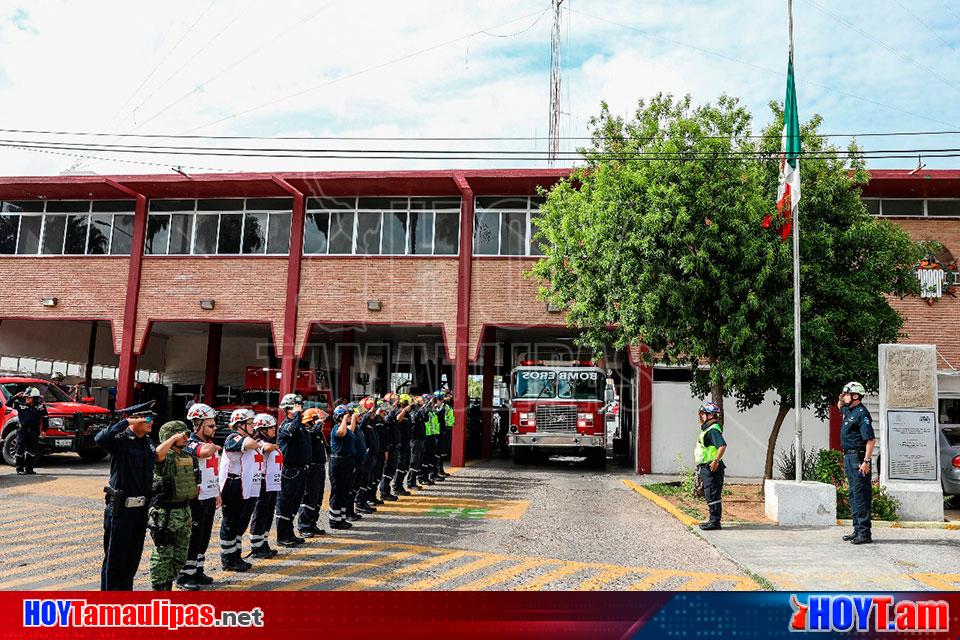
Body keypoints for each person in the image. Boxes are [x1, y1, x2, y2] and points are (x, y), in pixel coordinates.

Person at [95, 400, 167, 590]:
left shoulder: (148, 444)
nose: (151, 422)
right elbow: (100, 439)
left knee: (132, 559)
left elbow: (157, 461)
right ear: (134, 420)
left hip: (140, 511)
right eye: (147, 418)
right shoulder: (121, 440)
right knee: (115, 561)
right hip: (121, 511)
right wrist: (126, 422)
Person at [148, 420, 207, 591]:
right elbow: (157, 455)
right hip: (166, 512)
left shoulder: (187, 457)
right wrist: (173, 437)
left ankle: (169, 581)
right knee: (163, 552)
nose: (187, 438)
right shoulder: (165, 457)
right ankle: (160, 588)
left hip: (184, 510)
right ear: (170, 436)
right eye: (183, 435)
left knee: (180, 554)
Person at [175, 403, 222, 590]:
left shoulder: (209, 443)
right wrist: (215, 446)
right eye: (210, 425)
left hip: (209, 496)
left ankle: (198, 570)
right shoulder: (190, 441)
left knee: (204, 536)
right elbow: (204, 452)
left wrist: (217, 492)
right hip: (195, 499)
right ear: (198, 425)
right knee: (192, 537)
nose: (214, 428)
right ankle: (184, 575)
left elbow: (214, 470)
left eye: (214, 425)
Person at [218, 408, 263, 571]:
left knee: (240, 522)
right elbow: (250, 444)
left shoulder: (246, 437)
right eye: (250, 424)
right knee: (230, 523)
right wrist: (256, 441)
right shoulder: (233, 437)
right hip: (233, 485)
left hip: (245, 486)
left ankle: (236, 555)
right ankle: (228, 559)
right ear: (240, 424)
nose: (253, 427)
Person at [838, 381, 876, 545]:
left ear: (855, 396)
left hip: (859, 459)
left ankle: (864, 533)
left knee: (861, 494)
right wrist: (841, 398)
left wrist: (866, 461)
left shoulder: (862, 414)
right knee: (853, 494)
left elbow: (870, 440)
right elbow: (840, 406)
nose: (844, 396)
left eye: (847, 394)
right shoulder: (850, 410)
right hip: (849, 457)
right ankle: (857, 530)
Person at [275, 393, 311, 546]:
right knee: (285, 503)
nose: (301, 409)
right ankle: (282, 536)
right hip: (289, 471)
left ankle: (289, 533)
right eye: (298, 406)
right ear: (289, 409)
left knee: (294, 503)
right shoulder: (286, 425)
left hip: (300, 470)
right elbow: (292, 430)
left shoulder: (299, 425)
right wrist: (296, 416)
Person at [249, 413, 282, 558]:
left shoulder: (267, 440)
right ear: (262, 429)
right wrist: (275, 446)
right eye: (270, 428)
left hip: (272, 483)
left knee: (268, 514)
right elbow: (267, 448)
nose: (274, 430)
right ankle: (256, 546)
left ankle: (264, 542)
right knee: (260, 513)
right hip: (262, 483)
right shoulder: (258, 441)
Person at [297, 407, 330, 538]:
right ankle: (304, 526)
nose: (322, 424)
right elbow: (312, 433)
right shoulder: (307, 432)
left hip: (319, 468)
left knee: (317, 498)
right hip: (311, 469)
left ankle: (312, 523)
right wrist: (318, 423)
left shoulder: (316, 432)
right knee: (309, 498)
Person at [694, 401, 727, 531]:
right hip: (708, 467)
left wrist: (715, 461)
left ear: (711, 415)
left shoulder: (712, 431)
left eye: (703, 414)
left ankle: (714, 522)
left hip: (712, 468)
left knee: (712, 494)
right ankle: (713, 520)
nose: (701, 416)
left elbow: (722, 446)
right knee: (710, 494)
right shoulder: (708, 430)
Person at [328, 405, 358, 530]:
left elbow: (351, 429)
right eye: (346, 416)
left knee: (345, 491)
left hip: (347, 462)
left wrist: (354, 417)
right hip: (338, 463)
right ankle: (335, 521)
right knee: (338, 492)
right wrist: (345, 417)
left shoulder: (347, 429)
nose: (349, 417)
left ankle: (341, 517)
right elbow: (341, 432)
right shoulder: (337, 428)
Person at [10, 387, 46, 475]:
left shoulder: (41, 407)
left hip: (34, 431)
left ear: (35, 398)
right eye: (26, 397)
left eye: (29, 397)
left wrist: (44, 430)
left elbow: (45, 419)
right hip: (22, 431)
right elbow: (8, 403)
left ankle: (29, 469)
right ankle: (19, 469)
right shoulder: (20, 404)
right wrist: (15, 397)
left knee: (31, 450)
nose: (27, 398)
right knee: (19, 449)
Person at [391, 394, 414, 497]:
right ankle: (396, 486)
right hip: (401, 444)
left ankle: (400, 485)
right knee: (400, 466)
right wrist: (404, 410)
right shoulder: (400, 412)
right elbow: (397, 419)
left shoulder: (408, 414)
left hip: (407, 443)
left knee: (405, 466)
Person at [405, 395, 428, 490]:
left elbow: (426, 419)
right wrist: (420, 410)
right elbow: (414, 421)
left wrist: (424, 409)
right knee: (414, 461)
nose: (423, 402)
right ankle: (411, 482)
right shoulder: (413, 412)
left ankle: (414, 480)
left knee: (418, 460)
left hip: (420, 439)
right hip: (415, 439)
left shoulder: (420, 411)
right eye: (421, 400)